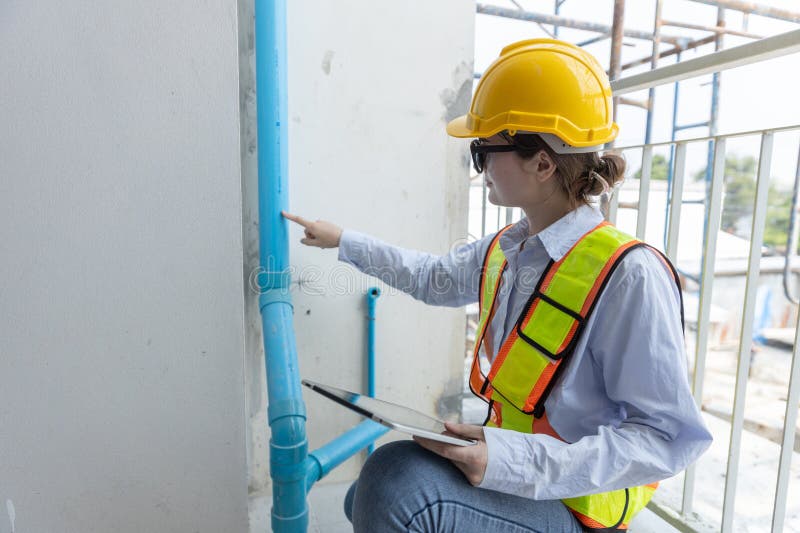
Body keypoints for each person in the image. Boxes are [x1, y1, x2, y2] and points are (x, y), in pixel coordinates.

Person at [282, 39, 712, 533]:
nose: (479, 167)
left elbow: (668, 437)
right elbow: (431, 278)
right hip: (516, 476)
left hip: (575, 504)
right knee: (363, 497)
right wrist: (345, 241)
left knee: (396, 482)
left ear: (543, 164)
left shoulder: (629, 275)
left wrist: (511, 461)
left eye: (483, 150)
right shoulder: (510, 247)